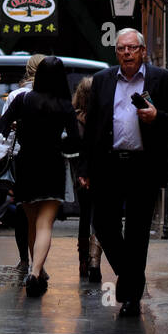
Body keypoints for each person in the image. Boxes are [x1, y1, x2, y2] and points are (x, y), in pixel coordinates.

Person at [78, 29, 168, 317]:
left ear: (143, 51)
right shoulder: (102, 81)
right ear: (116, 53)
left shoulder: (164, 80)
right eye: (122, 48)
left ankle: (131, 298)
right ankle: (132, 278)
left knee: (138, 231)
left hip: (143, 166)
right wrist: (85, 167)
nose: (127, 53)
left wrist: (156, 117)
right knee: (103, 224)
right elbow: (93, 128)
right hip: (108, 164)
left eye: (132, 48)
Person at [0, 56, 81, 298]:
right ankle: (36, 272)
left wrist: (19, 128)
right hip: (52, 165)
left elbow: (1, 127)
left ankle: (37, 269)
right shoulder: (65, 105)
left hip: (26, 165)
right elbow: (74, 141)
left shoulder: (22, 99)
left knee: (32, 222)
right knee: (45, 224)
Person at [0, 54, 45, 268]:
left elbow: (3, 134)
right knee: (41, 213)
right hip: (44, 161)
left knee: (23, 210)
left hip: (20, 159)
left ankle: (25, 259)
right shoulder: (52, 95)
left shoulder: (16, 95)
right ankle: (38, 262)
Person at [73, 76, 104, 282]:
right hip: (101, 172)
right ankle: (95, 261)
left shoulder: (74, 118)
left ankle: (83, 260)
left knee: (84, 217)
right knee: (99, 218)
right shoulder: (102, 117)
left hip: (79, 174)